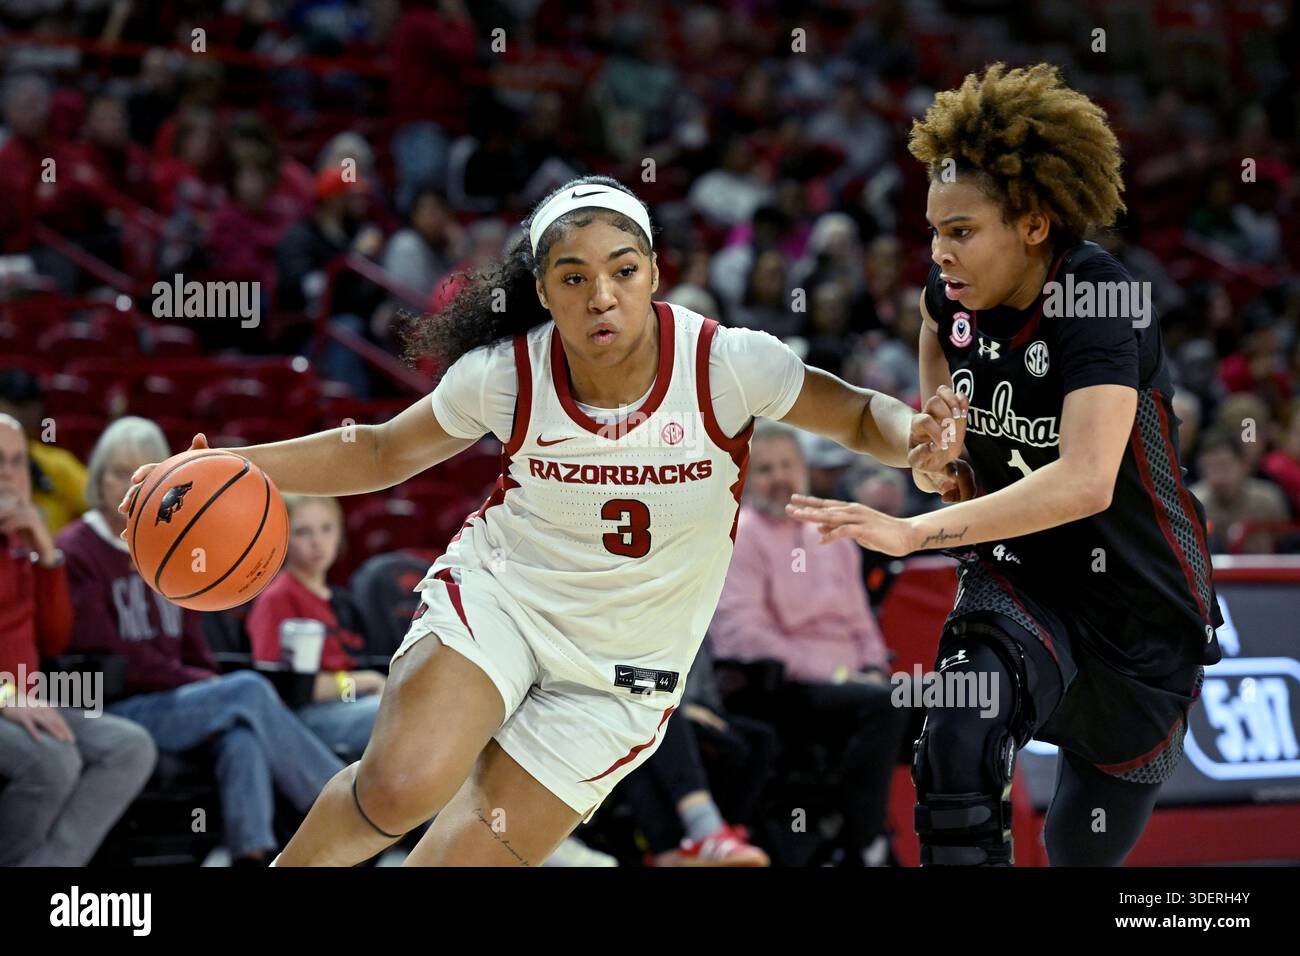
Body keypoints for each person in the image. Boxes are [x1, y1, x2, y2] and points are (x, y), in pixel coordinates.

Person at [119, 175, 963, 867]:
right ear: (544, 290)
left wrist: (912, 439)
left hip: (627, 665)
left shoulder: (727, 362)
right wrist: (233, 463)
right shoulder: (507, 375)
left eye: (623, 271)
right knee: (400, 784)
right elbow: (378, 453)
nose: (602, 296)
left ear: (655, 273)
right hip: (507, 600)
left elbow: (855, 416)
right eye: (573, 277)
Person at [788, 63, 1223, 867]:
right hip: (1022, 575)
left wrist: (915, 532)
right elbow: (932, 336)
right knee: (955, 746)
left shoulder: (1098, 296)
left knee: (1078, 850)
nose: (938, 252)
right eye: (931, 230)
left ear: (1030, 222)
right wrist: (936, 428)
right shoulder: (948, 292)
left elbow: (1085, 479)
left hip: (1139, 601)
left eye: (959, 230)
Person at [59, 417, 345, 865]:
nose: (124, 484)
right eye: (116, 471)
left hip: (178, 700)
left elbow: (195, 645)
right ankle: (343, 809)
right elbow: (110, 657)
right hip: (115, 706)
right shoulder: (78, 550)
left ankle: (252, 853)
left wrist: (206, 684)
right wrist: (202, 685)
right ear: (97, 477)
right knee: (246, 692)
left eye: (139, 472)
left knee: (241, 732)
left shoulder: (167, 542)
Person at [710, 421, 912, 867]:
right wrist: (841, 673)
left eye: (787, 465)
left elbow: (862, 621)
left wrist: (874, 667)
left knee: (939, 706)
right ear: (744, 476)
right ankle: (867, 843)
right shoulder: (740, 534)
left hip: (854, 682)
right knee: (884, 706)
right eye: (765, 469)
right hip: (780, 689)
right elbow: (742, 637)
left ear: (803, 469)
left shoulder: (830, 530)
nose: (779, 477)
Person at [0, 414, 156, 866]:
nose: (9, 474)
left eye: (17, 462)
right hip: (7, 700)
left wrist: (47, 556)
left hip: (31, 696)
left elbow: (53, 641)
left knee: (130, 746)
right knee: (54, 762)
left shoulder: (22, 544)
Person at [246, 495, 384, 763]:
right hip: (303, 717)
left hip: (346, 704)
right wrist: (364, 683)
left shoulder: (340, 599)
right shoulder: (278, 598)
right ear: (283, 538)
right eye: (303, 532)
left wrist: (366, 685)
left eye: (326, 529)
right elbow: (281, 689)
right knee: (400, 716)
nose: (317, 542)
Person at [1191, 427, 1289, 552]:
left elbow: (1288, 547)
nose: (1219, 477)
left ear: (1244, 465)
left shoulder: (1268, 500)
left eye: (1224, 466)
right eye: (1211, 467)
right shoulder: (1193, 505)